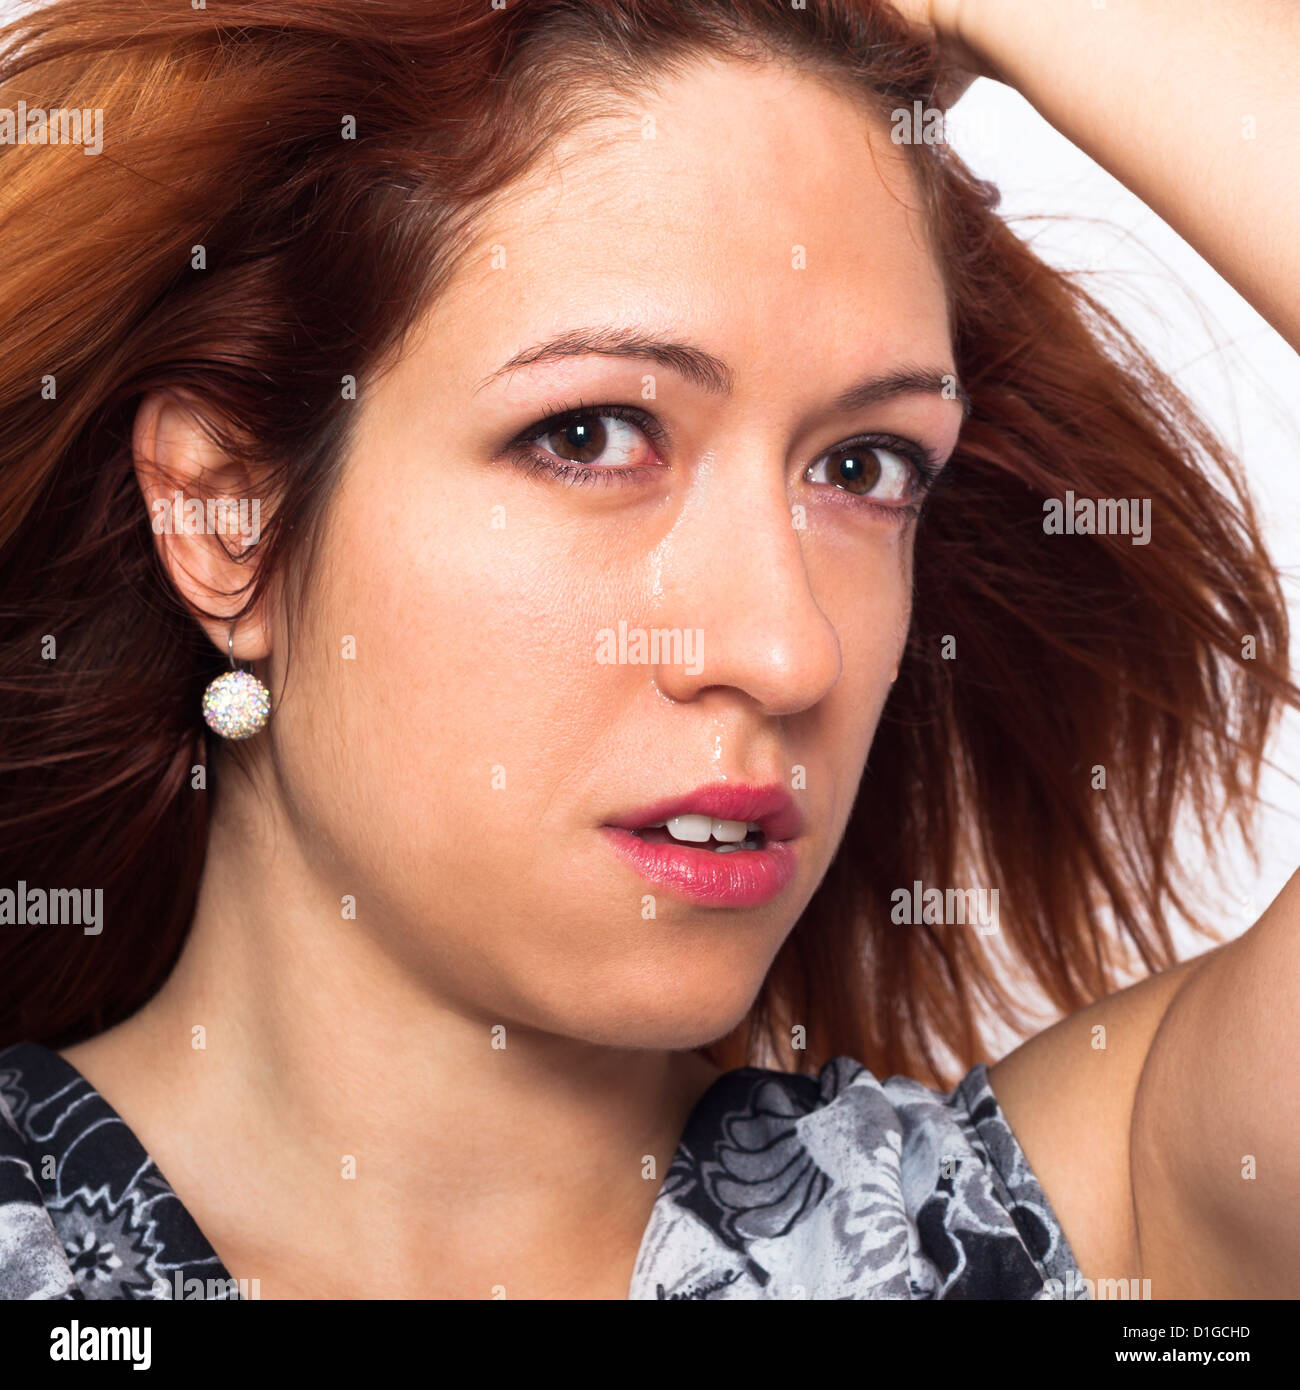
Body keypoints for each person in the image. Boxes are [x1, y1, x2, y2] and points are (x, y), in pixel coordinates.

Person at [0, 0, 1296, 1300]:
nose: (791, 650)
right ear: (230, 513)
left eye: (864, 465)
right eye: (592, 436)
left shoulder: (1019, 1240)